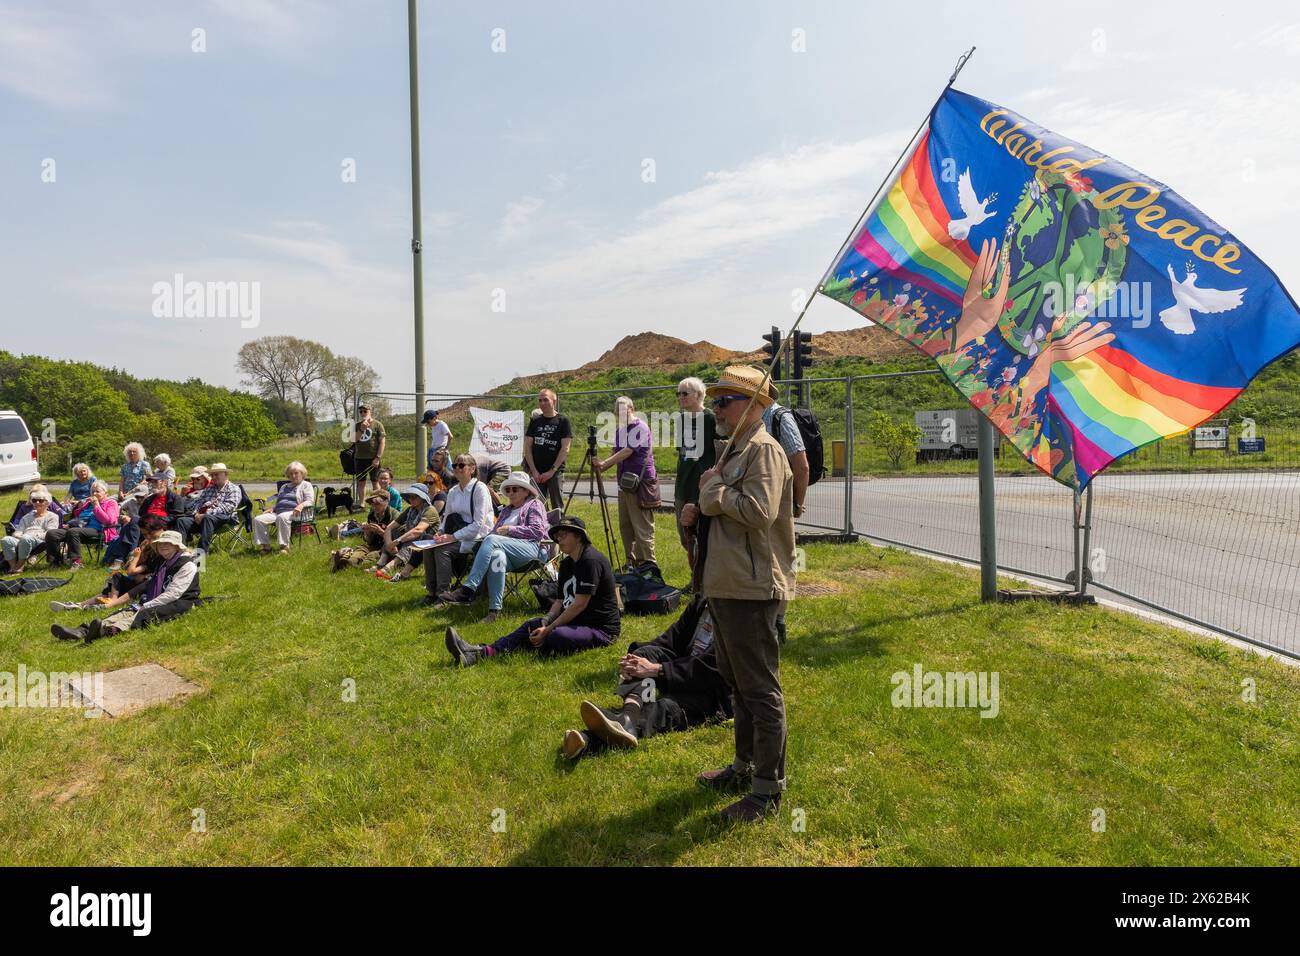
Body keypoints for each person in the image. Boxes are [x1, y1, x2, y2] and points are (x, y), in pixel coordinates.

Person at [692, 364, 796, 823]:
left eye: (724, 400)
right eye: (714, 400)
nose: (716, 407)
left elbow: (759, 512)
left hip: (752, 587)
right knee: (736, 684)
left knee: (760, 689)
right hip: (727, 583)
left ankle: (767, 790)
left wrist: (713, 494)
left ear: (754, 404)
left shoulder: (765, 451)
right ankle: (743, 766)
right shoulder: (734, 448)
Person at [562, 593, 732, 759]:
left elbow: (713, 667)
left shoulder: (738, 613)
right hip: (683, 672)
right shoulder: (702, 600)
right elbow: (672, 639)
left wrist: (658, 669)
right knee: (645, 654)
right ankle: (628, 716)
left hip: (714, 691)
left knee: (666, 706)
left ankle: (589, 740)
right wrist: (636, 659)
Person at [445, 515, 620, 666]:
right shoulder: (567, 564)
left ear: (579, 536)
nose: (559, 539)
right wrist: (546, 620)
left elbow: (579, 604)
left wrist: (549, 628)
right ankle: (482, 652)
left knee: (555, 635)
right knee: (533, 625)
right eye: (557, 536)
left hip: (600, 629)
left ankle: (526, 645)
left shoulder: (591, 561)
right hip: (575, 621)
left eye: (563, 535)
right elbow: (560, 601)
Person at [437, 471, 551, 623]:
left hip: (533, 550)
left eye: (515, 489)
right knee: (497, 556)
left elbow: (537, 532)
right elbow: (492, 533)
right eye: (508, 489)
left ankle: (468, 589)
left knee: (492, 540)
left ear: (526, 491)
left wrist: (510, 530)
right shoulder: (506, 511)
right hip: (509, 553)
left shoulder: (534, 504)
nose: (510, 493)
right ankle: (494, 611)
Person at [50, 530, 201, 642]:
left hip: (180, 602)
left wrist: (147, 604)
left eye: (168, 544)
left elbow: (173, 594)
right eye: (161, 543)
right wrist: (141, 602)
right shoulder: (164, 562)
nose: (163, 546)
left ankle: (105, 631)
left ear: (177, 547)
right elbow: (148, 583)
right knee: (127, 610)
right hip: (159, 598)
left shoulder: (187, 566)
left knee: (143, 614)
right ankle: (82, 630)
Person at [761, 381, 810, 643]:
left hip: (780, 506)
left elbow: (801, 465)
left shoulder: (780, 417)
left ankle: (778, 622)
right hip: (761, 505)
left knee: (782, 562)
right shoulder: (753, 419)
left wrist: (796, 505)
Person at [593, 395, 658, 569]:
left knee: (642, 528)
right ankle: (632, 563)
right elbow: (615, 453)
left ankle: (649, 566)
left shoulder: (640, 427)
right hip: (625, 484)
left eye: (624, 408)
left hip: (640, 483)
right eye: (617, 409)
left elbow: (627, 451)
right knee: (626, 526)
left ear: (632, 408)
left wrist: (605, 464)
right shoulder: (620, 431)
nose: (620, 412)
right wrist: (600, 467)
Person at [422, 453, 495, 599]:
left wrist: (452, 537)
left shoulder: (480, 489)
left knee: (441, 549)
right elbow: (447, 517)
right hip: (458, 534)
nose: (457, 468)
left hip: (478, 538)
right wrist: (441, 532)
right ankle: (431, 592)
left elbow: (478, 525)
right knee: (429, 547)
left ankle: (442, 594)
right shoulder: (454, 491)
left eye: (461, 465)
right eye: (455, 465)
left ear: (472, 469)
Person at [673, 376, 717, 573]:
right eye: (678, 394)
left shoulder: (710, 419)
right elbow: (680, 451)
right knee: (684, 536)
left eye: (684, 393)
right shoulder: (680, 419)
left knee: (701, 534)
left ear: (699, 395)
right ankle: (696, 574)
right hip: (683, 483)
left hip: (701, 487)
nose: (680, 397)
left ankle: (702, 579)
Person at [374, 484, 444, 580]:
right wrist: (389, 544)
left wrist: (397, 541)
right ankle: (381, 563)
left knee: (411, 539)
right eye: (409, 496)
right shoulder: (410, 510)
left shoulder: (430, 510)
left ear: (422, 498)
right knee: (396, 531)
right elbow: (389, 527)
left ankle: (387, 568)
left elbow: (418, 530)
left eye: (414, 496)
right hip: (408, 541)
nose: (411, 499)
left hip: (425, 544)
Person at [44, 480, 119, 569]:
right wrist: (72, 521)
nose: (94, 493)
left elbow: (108, 521)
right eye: (92, 491)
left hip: (100, 529)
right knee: (52, 533)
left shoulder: (111, 503)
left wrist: (96, 505)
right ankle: (55, 562)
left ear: (105, 492)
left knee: (73, 532)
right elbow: (77, 517)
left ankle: (76, 562)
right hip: (81, 528)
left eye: (97, 491)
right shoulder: (88, 503)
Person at [175, 463, 241, 553]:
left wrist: (206, 514)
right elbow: (198, 502)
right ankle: (180, 552)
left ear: (226, 474)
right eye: (212, 475)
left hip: (225, 518)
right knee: (181, 521)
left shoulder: (234, 488)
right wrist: (196, 514)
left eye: (216, 474)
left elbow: (228, 507)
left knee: (207, 518)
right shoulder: (210, 488)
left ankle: (200, 553)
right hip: (202, 518)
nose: (213, 477)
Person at [524, 388, 573, 510]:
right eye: (540, 400)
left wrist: (552, 471)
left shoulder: (563, 421)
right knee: (538, 506)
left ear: (554, 401)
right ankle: (541, 528)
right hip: (536, 472)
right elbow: (527, 447)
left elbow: (565, 448)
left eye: (546, 400)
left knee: (557, 506)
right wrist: (533, 471)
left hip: (554, 472)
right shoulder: (535, 421)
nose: (542, 403)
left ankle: (557, 529)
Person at [253, 461, 315, 555]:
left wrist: (300, 505)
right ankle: (266, 546)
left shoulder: (306, 485)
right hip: (278, 512)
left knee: (282, 517)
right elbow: (281, 501)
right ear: (288, 475)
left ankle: (284, 547)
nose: (293, 476)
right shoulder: (284, 486)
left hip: (297, 512)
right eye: (291, 474)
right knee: (258, 519)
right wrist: (273, 508)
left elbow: (310, 501)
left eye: (296, 473)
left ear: (302, 474)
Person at [2, 489, 59, 573]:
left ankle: (19, 567)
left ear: (47, 503)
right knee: (6, 540)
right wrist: (18, 535)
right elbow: (19, 530)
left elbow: (50, 533)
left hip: (40, 541)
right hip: (23, 538)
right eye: (34, 500)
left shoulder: (52, 516)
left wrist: (32, 536)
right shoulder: (27, 516)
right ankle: (13, 567)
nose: (37, 503)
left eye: (41, 500)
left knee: (26, 538)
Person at [351, 404, 387, 504]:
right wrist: (362, 429)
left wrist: (378, 458)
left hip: (373, 458)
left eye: (365, 411)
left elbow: (382, 442)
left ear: (370, 411)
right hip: (359, 458)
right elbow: (353, 440)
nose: (363, 413)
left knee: (375, 481)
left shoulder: (377, 424)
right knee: (361, 482)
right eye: (361, 412)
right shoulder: (357, 425)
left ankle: (378, 502)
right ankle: (361, 504)